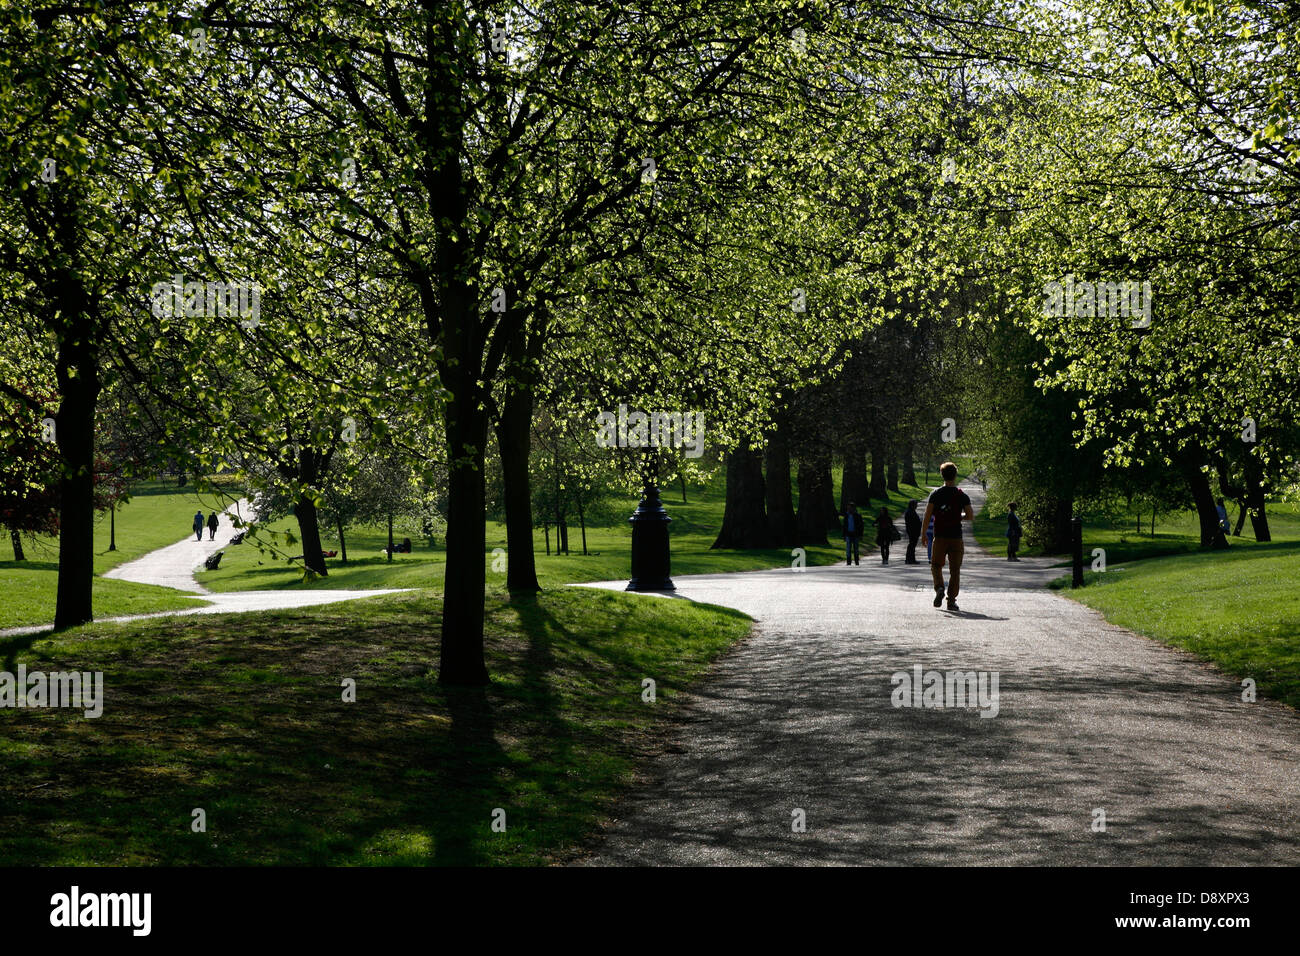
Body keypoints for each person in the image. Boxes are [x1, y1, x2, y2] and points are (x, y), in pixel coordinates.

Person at [920, 462, 975, 611]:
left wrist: (923, 534)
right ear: (955, 475)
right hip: (956, 537)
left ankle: (939, 588)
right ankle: (951, 601)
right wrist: (959, 516)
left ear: (942, 475)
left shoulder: (936, 494)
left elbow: (927, 515)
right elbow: (970, 516)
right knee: (955, 570)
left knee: (936, 565)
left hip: (940, 536)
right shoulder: (961, 495)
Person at [841, 501, 864, 566]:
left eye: (850, 508)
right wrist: (844, 535)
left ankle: (856, 561)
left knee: (856, 549)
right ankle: (848, 562)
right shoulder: (846, 516)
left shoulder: (858, 516)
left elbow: (861, 526)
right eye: (848, 508)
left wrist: (861, 535)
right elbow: (844, 526)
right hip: (848, 534)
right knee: (848, 549)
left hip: (855, 534)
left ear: (853, 508)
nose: (849, 509)